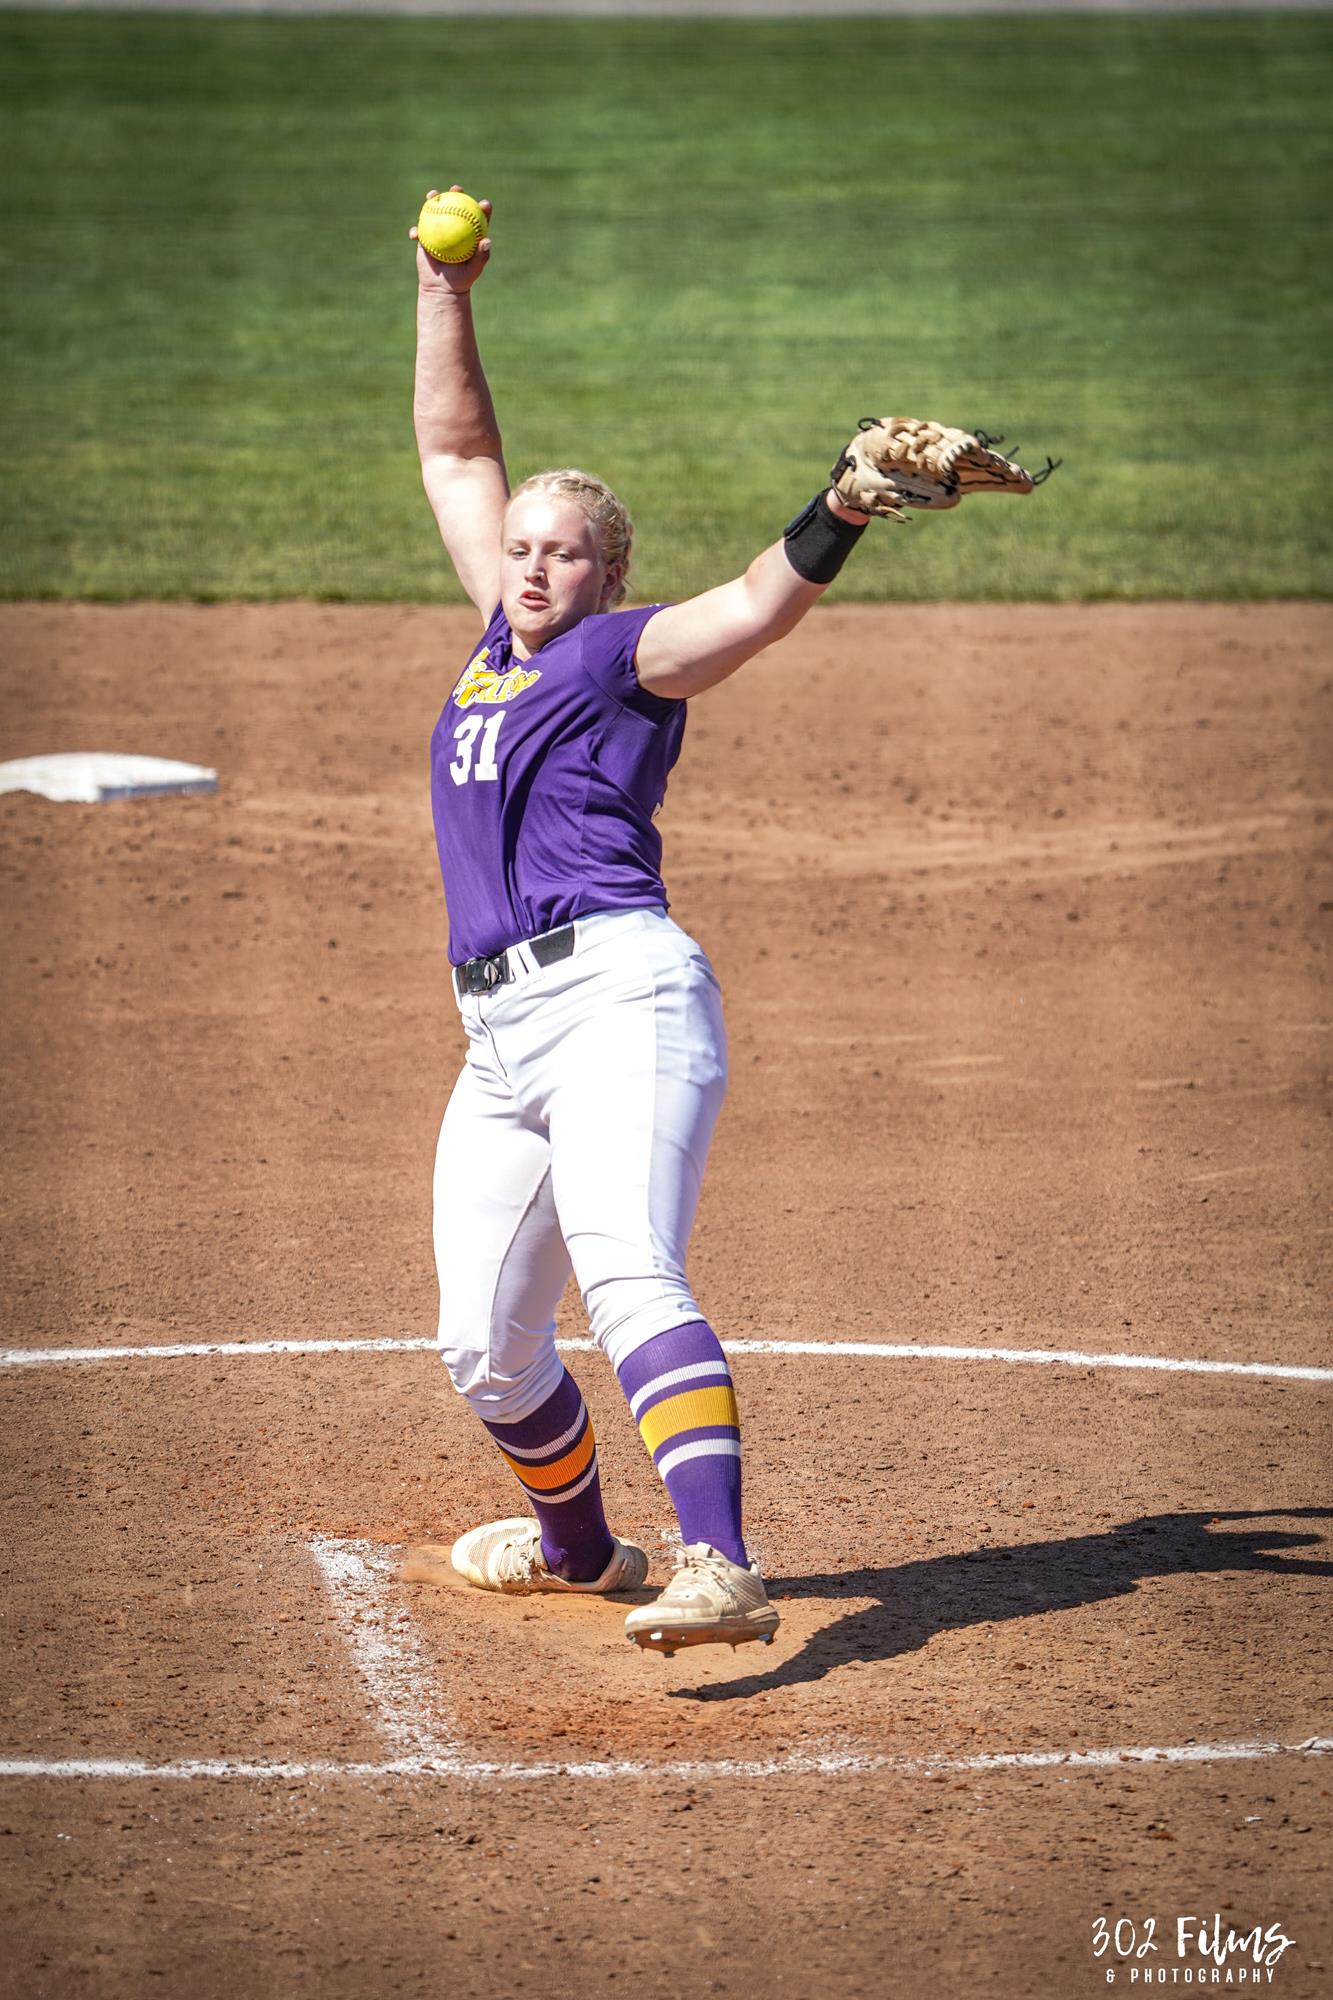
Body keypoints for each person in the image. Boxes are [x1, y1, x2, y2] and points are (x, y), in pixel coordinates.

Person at [411, 187, 873, 1657]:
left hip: (618, 999)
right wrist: (447, 287)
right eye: (524, 550)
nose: (533, 566)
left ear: (606, 574)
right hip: (498, 1035)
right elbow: (454, 448)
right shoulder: (498, 639)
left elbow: (749, 606)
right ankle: (580, 1551)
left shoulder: (622, 654)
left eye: (562, 554)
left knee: (623, 1266)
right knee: (483, 1344)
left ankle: (722, 1563)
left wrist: (843, 503)